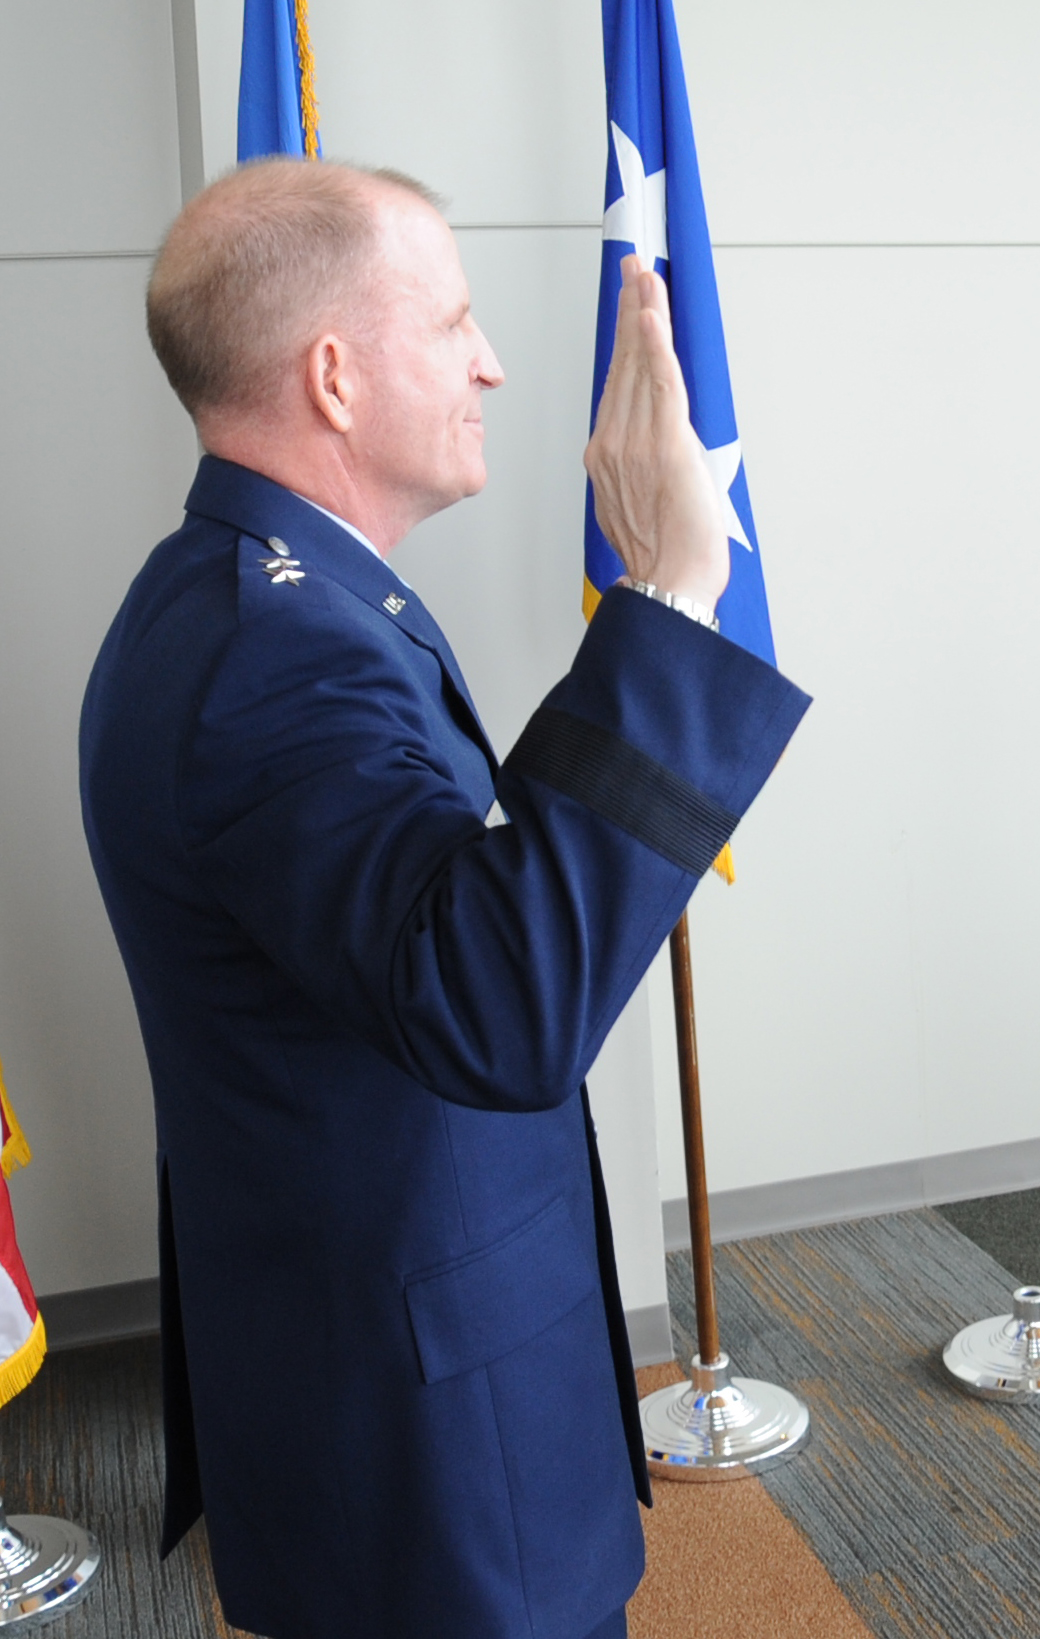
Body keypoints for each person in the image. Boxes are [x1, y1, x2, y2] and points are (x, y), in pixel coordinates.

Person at [79, 159, 809, 1639]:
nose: (489, 362)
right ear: (335, 378)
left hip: (371, 1344)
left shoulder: (257, 596)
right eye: (454, 322)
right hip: (413, 1420)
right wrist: (667, 594)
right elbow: (492, 1004)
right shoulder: (274, 653)